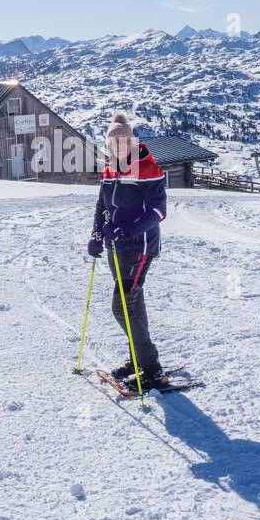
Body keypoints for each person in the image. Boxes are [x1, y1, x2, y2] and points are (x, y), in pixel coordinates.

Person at [87, 111, 167, 388]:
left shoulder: (147, 167)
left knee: (122, 307)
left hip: (140, 247)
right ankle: (139, 359)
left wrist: (129, 230)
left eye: (123, 140)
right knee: (134, 302)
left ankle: (152, 367)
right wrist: (97, 235)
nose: (118, 145)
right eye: (113, 141)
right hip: (115, 246)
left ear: (132, 141)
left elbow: (158, 210)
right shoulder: (110, 168)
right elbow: (102, 207)